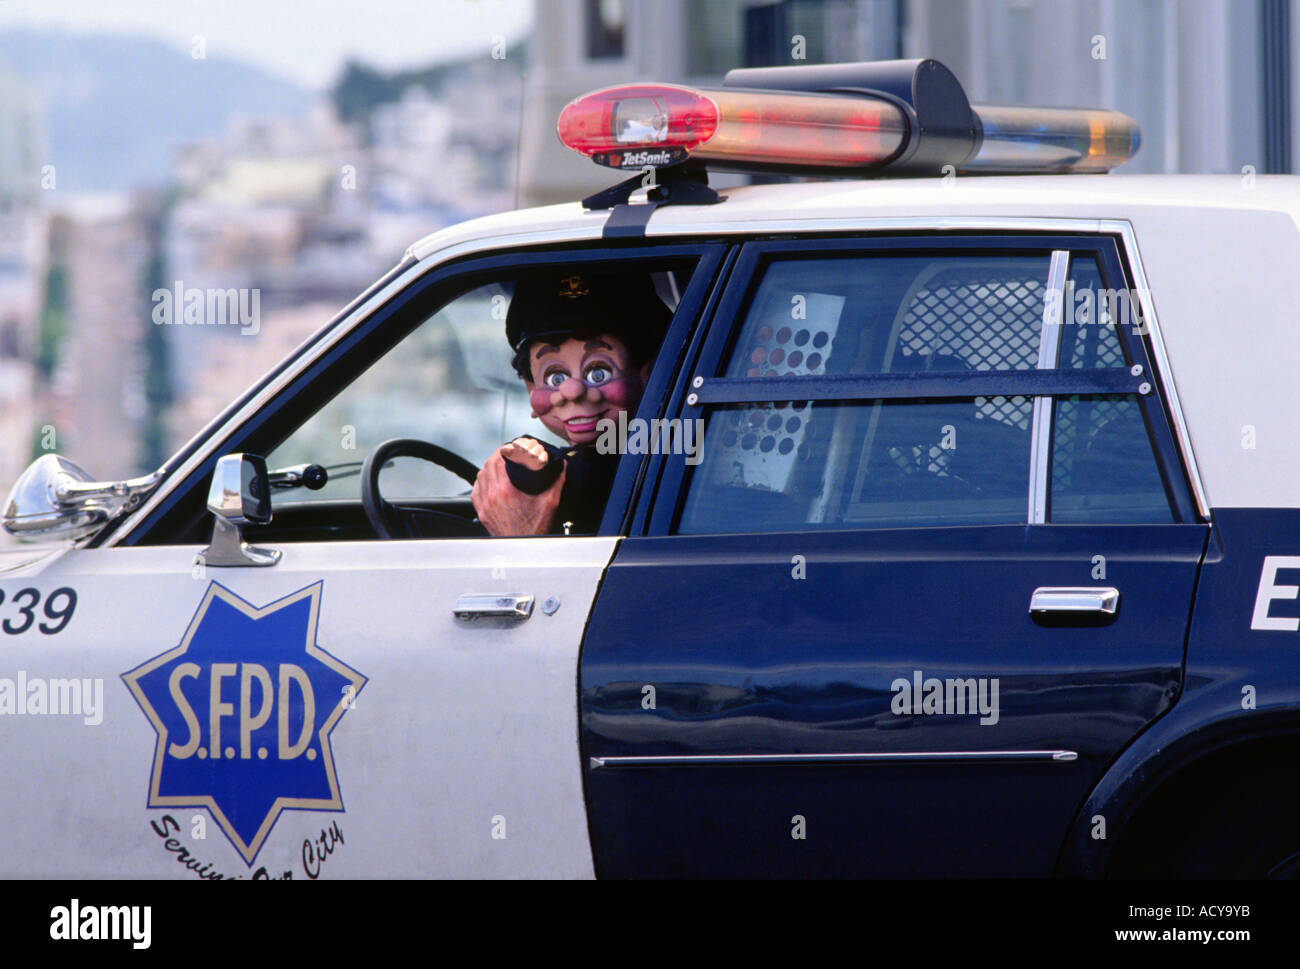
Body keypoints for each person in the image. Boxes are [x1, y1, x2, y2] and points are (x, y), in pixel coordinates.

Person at [470, 271, 671, 535]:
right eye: (555, 376)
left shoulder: (662, 461)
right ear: (530, 388)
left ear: (648, 376)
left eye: (598, 372)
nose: (572, 391)